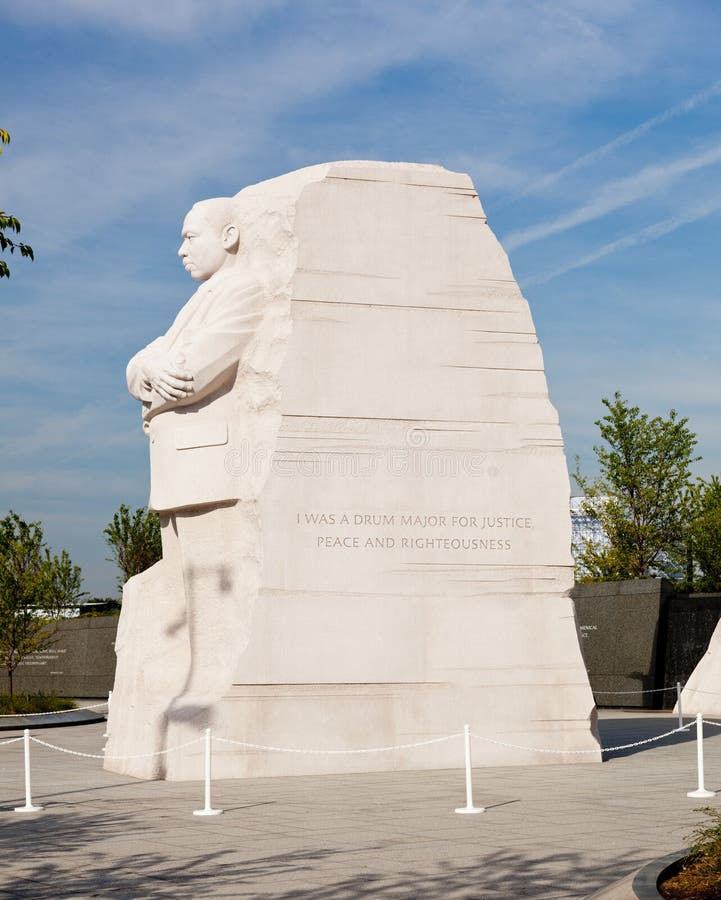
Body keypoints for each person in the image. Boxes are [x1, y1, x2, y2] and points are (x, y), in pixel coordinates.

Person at [124, 197, 267, 706]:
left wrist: (153, 371)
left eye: (191, 236)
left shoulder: (243, 291)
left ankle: (208, 687)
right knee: (184, 584)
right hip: (179, 466)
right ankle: (191, 682)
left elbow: (192, 375)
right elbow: (142, 361)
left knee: (210, 588)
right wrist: (149, 367)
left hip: (208, 465)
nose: (180, 249)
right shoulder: (200, 300)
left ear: (229, 236)